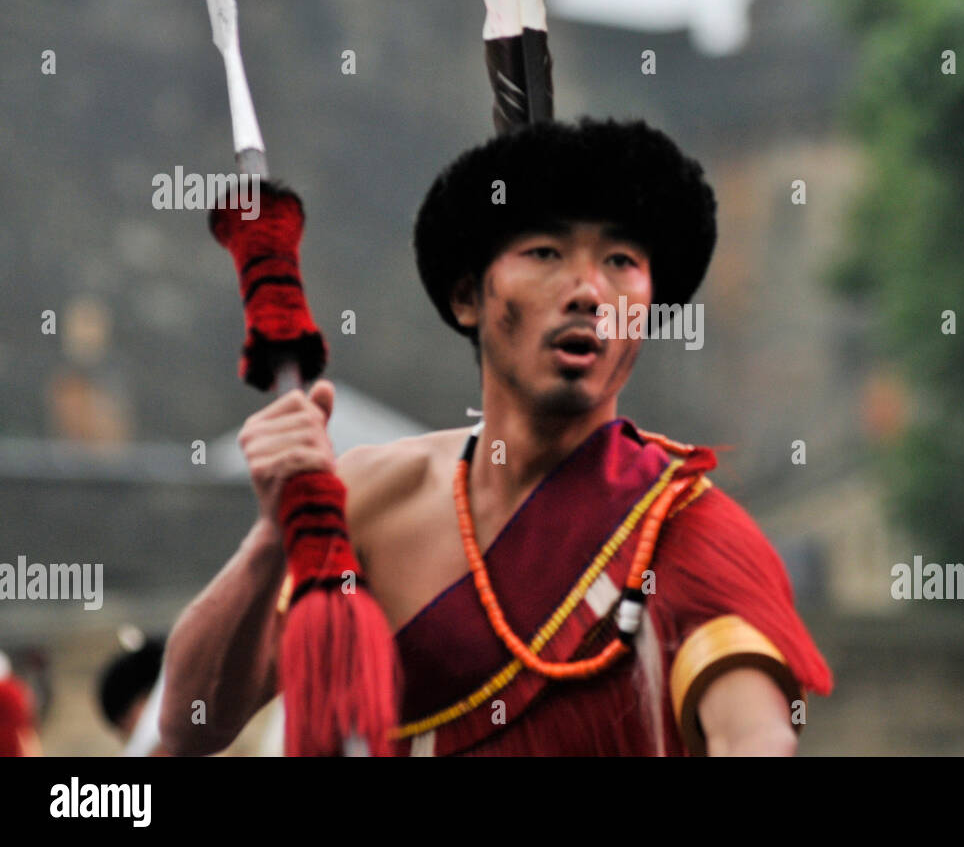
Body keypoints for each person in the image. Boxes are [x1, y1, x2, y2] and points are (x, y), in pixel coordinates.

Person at [160, 117, 832, 756]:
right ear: (468, 297)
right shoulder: (366, 496)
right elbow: (192, 723)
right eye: (545, 252)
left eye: (621, 259)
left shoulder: (687, 531)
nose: (589, 290)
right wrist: (274, 537)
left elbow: (756, 737)